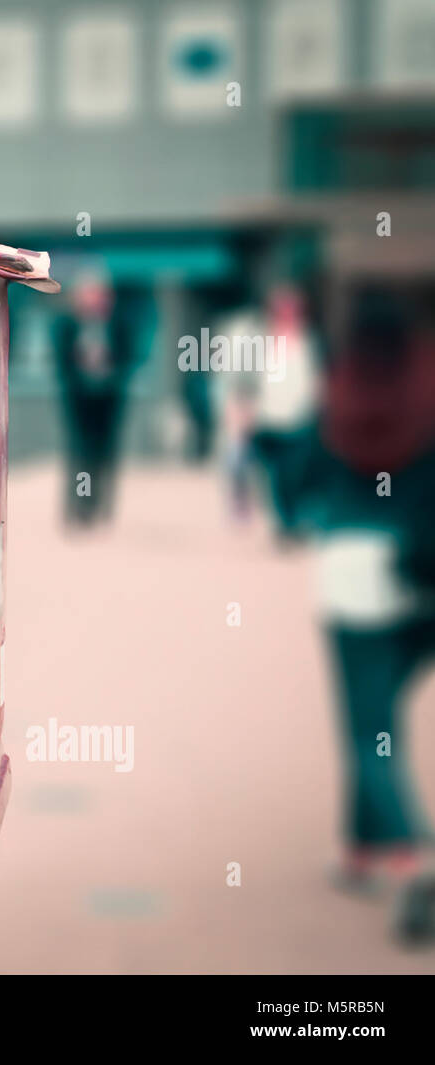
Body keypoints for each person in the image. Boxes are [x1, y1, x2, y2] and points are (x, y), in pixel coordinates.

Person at [253, 284, 435, 945]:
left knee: (367, 727)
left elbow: (295, 479)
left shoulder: (340, 396)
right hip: (423, 581)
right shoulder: (426, 394)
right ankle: (360, 850)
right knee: (380, 717)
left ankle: (414, 855)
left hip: (354, 577)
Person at [50, 272, 136, 526]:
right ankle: (78, 507)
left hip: (108, 399)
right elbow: (61, 362)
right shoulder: (67, 324)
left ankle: (100, 506)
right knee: (79, 452)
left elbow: (128, 358)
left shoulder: (118, 323)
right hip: (78, 400)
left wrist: (111, 376)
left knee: (105, 454)